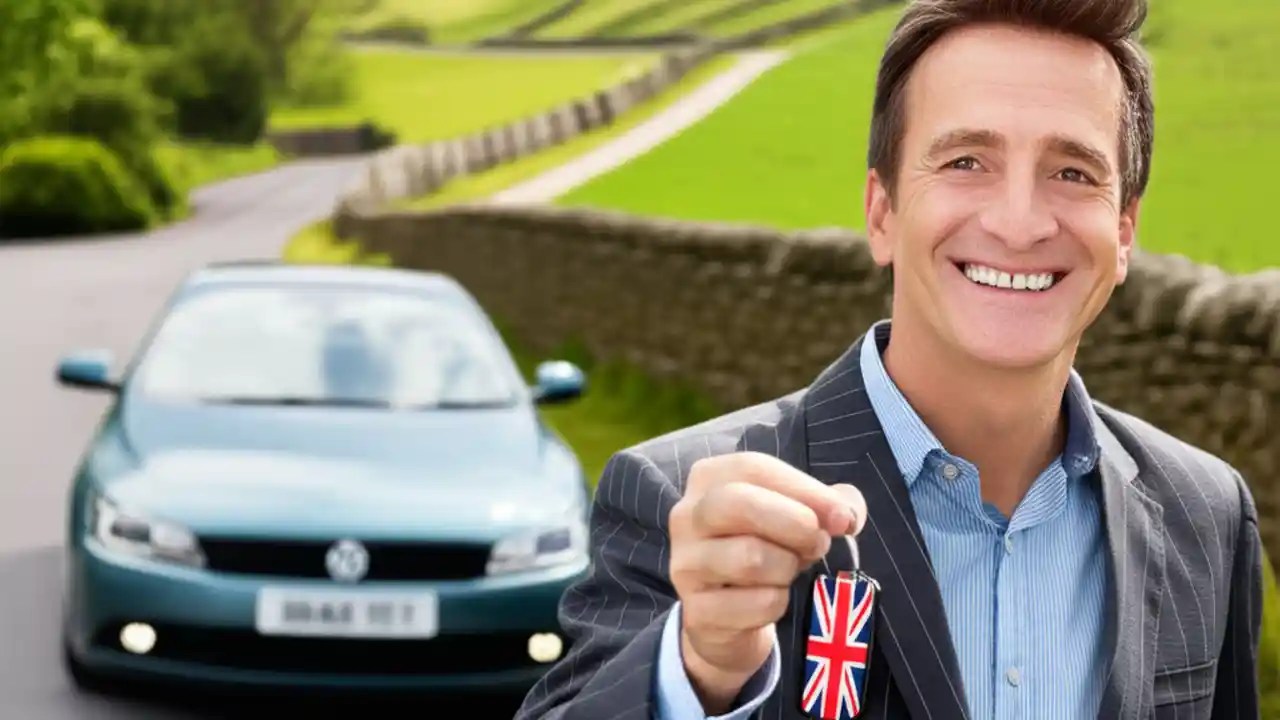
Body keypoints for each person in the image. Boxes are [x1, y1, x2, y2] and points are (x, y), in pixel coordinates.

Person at [513, 0, 1264, 717]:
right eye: (967, 160)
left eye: (1073, 172)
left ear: (1124, 230)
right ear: (881, 213)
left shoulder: (1207, 515)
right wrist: (697, 669)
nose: (1020, 221)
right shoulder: (679, 503)